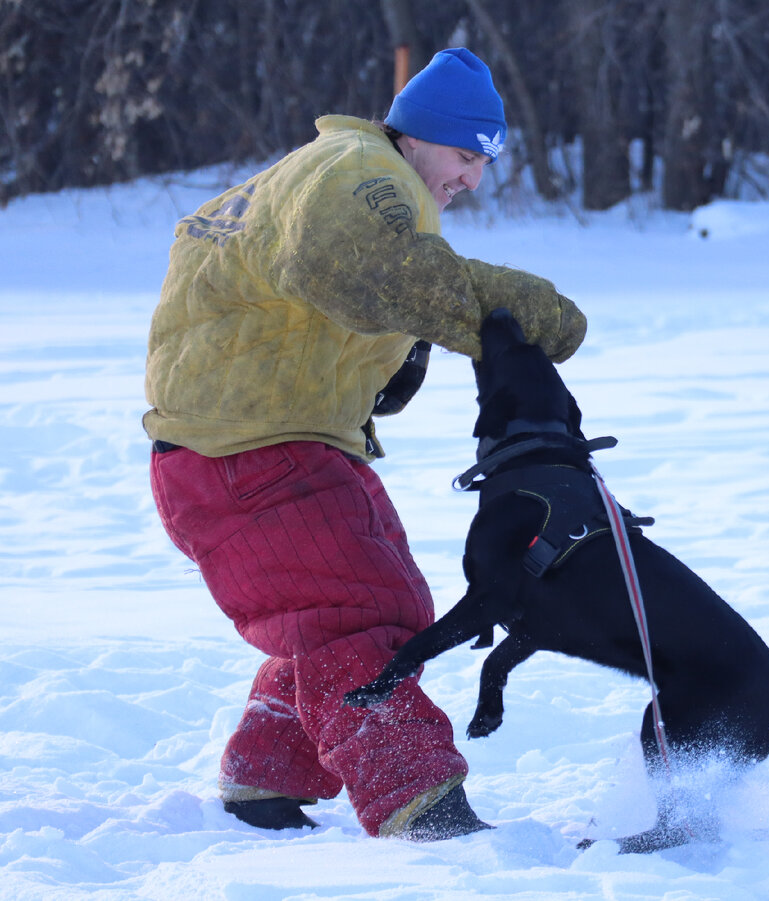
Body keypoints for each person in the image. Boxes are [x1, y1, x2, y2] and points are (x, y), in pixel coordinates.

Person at [144, 47, 586, 840]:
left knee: (344, 609)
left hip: (248, 447)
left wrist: (389, 361)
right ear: (418, 136)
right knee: (366, 614)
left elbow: (311, 276)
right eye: (464, 155)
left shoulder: (335, 171)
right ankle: (421, 802)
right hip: (249, 452)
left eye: (485, 162)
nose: (472, 180)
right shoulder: (361, 169)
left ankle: (266, 776)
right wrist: (510, 313)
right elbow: (360, 262)